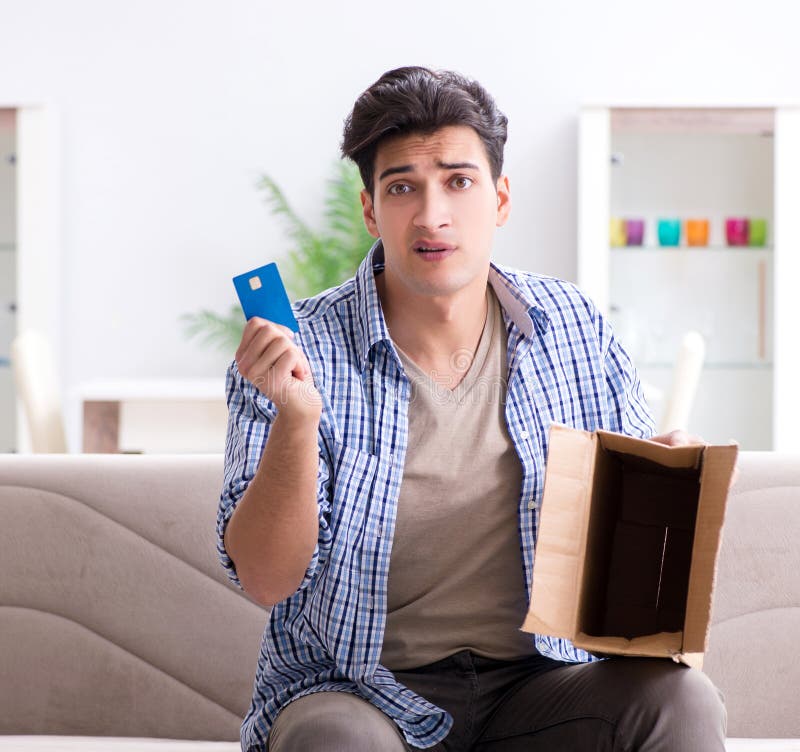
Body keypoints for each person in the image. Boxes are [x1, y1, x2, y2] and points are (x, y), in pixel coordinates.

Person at [217, 66, 726, 752]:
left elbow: (623, 554)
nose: (432, 215)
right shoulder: (294, 353)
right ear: (370, 210)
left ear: (500, 197)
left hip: (539, 686)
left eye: (458, 181)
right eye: (403, 187)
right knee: (333, 741)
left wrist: (662, 482)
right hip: (362, 690)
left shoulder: (573, 325)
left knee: (678, 701)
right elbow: (265, 579)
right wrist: (298, 420)